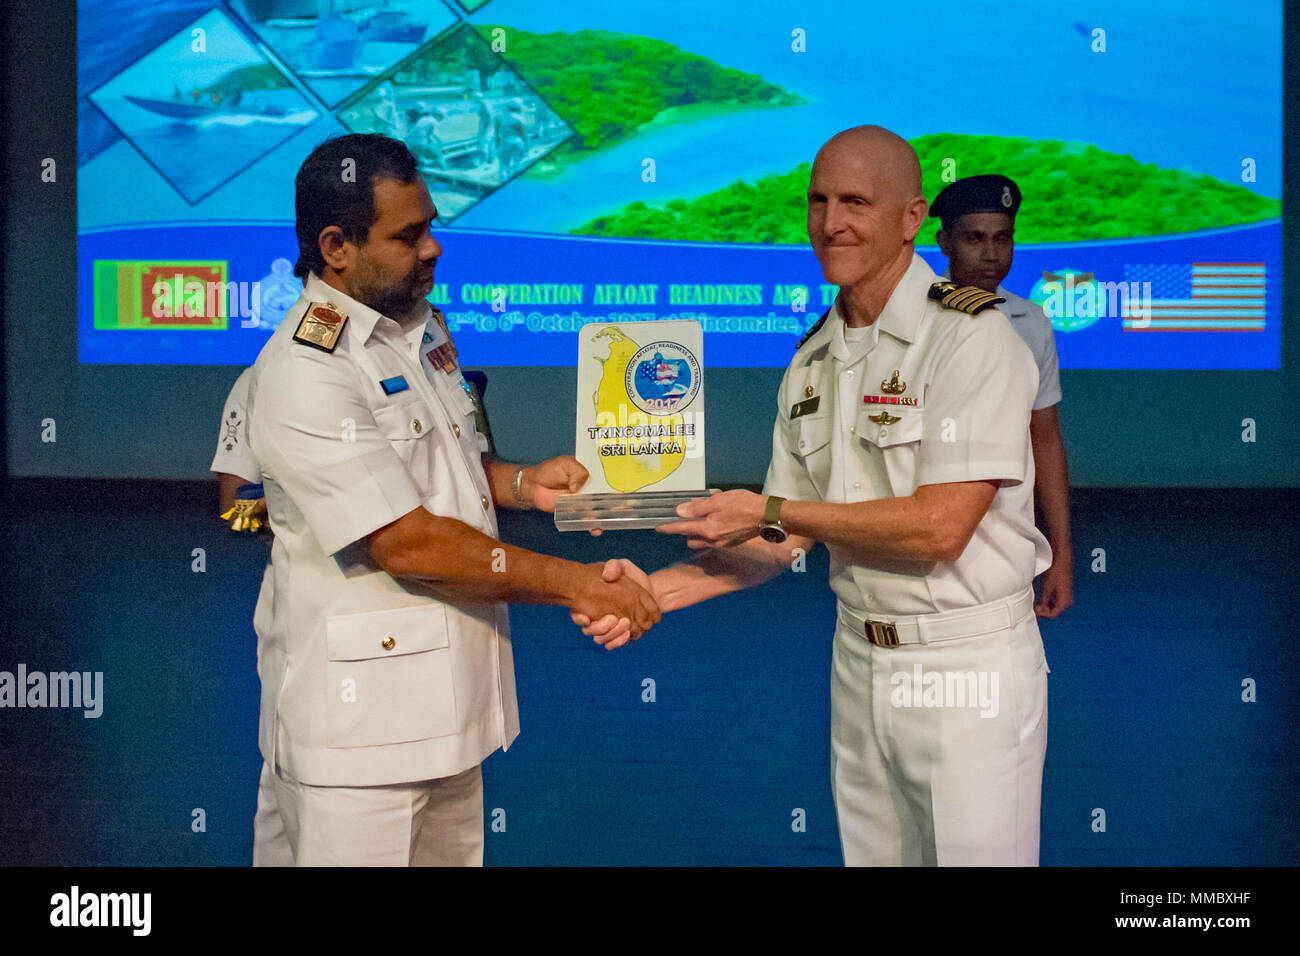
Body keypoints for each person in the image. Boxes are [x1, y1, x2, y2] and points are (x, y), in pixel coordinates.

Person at [580, 126, 1051, 867]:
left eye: (857, 202)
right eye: (819, 201)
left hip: (968, 670)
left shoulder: (973, 340)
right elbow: (781, 544)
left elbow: (939, 529)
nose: (832, 223)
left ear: (910, 216)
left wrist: (767, 509)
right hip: (857, 661)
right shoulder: (812, 358)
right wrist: (653, 592)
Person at [246, 133, 659, 867]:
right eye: (409, 235)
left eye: (431, 225)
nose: (434, 249)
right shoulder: (303, 371)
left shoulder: (420, 326)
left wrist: (529, 483)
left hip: (447, 710)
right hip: (358, 741)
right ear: (336, 246)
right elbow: (407, 543)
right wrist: (576, 584)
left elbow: (452, 465)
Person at [932, 174, 1073, 618]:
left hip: (1007, 544)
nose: (992, 253)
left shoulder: (1030, 323)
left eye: (1003, 238)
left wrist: (1063, 554)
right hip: (925, 536)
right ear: (944, 242)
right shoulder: (913, 318)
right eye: (974, 238)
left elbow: (1045, 439)